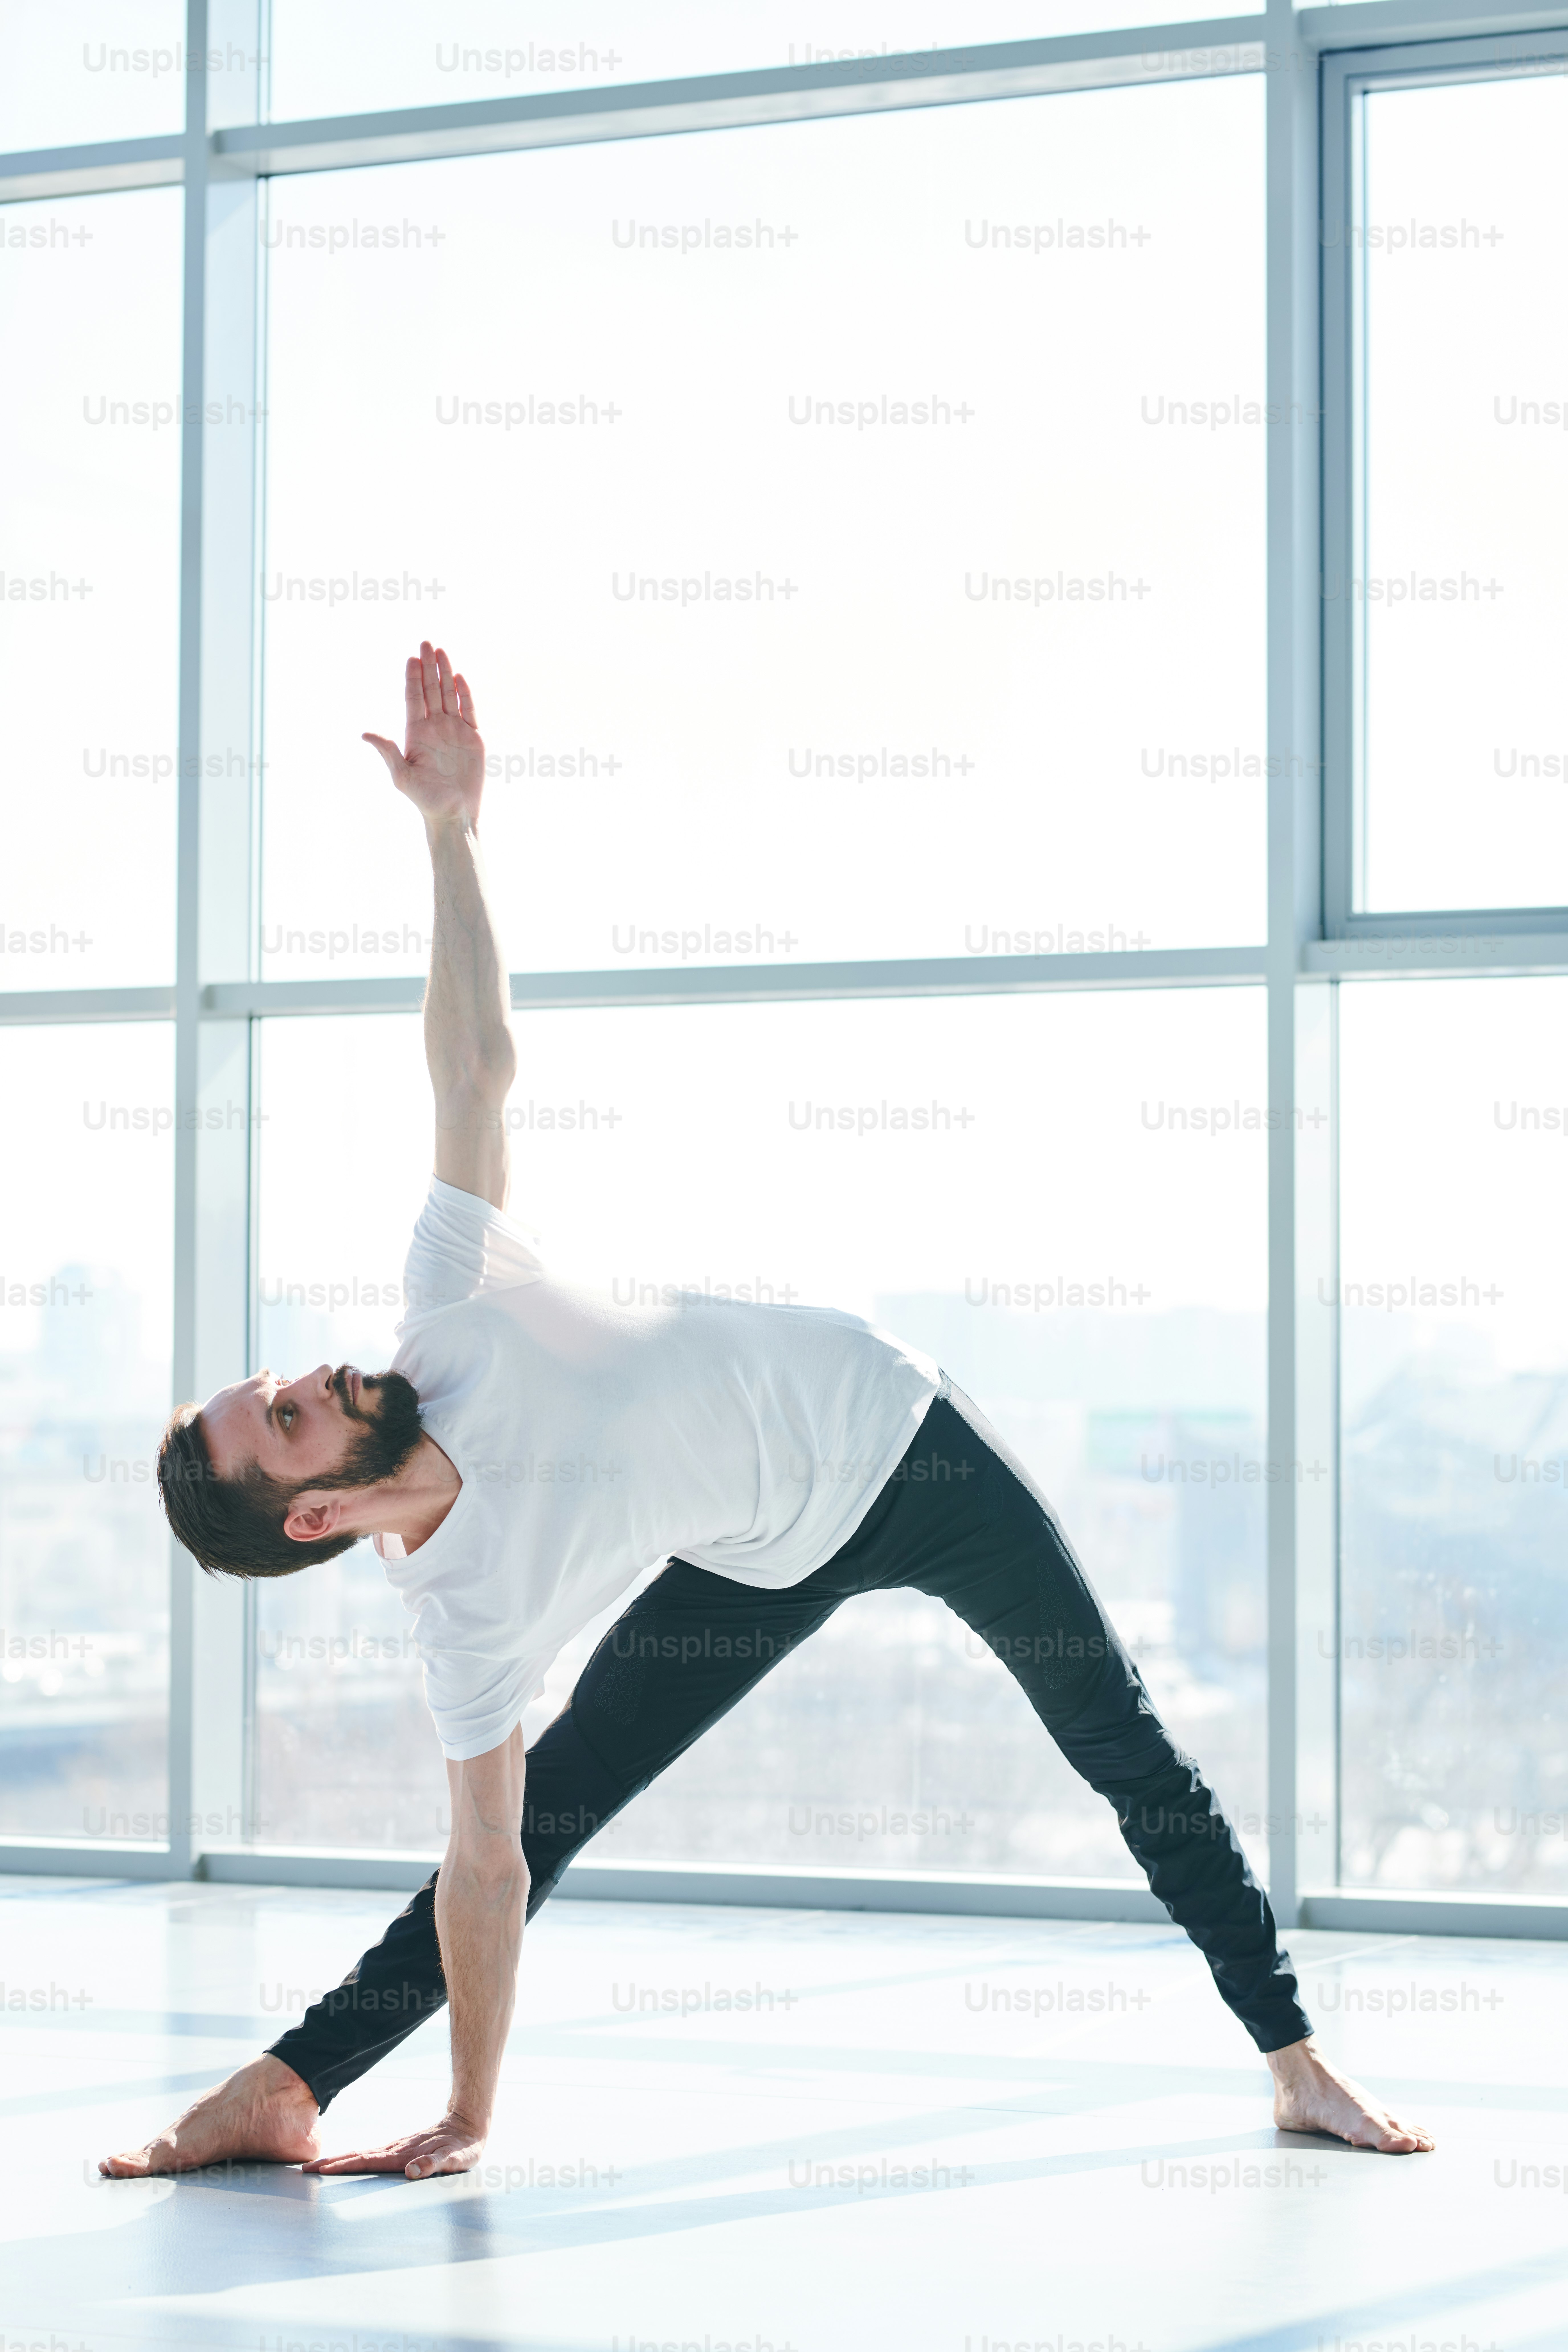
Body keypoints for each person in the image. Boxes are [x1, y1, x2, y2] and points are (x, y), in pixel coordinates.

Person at [101, 644, 1433, 2182]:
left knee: (1120, 1742)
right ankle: (284, 2087)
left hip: (905, 1447)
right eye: (280, 1424)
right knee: (550, 1816)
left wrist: (449, 835)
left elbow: (477, 1062)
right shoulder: (463, 1618)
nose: (301, 1381)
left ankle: (1296, 2062)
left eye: (274, 1383)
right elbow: (485, 1865)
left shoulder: (445, 1311)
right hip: (758, 1556)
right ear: (314, 1512)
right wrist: (472, 2112)